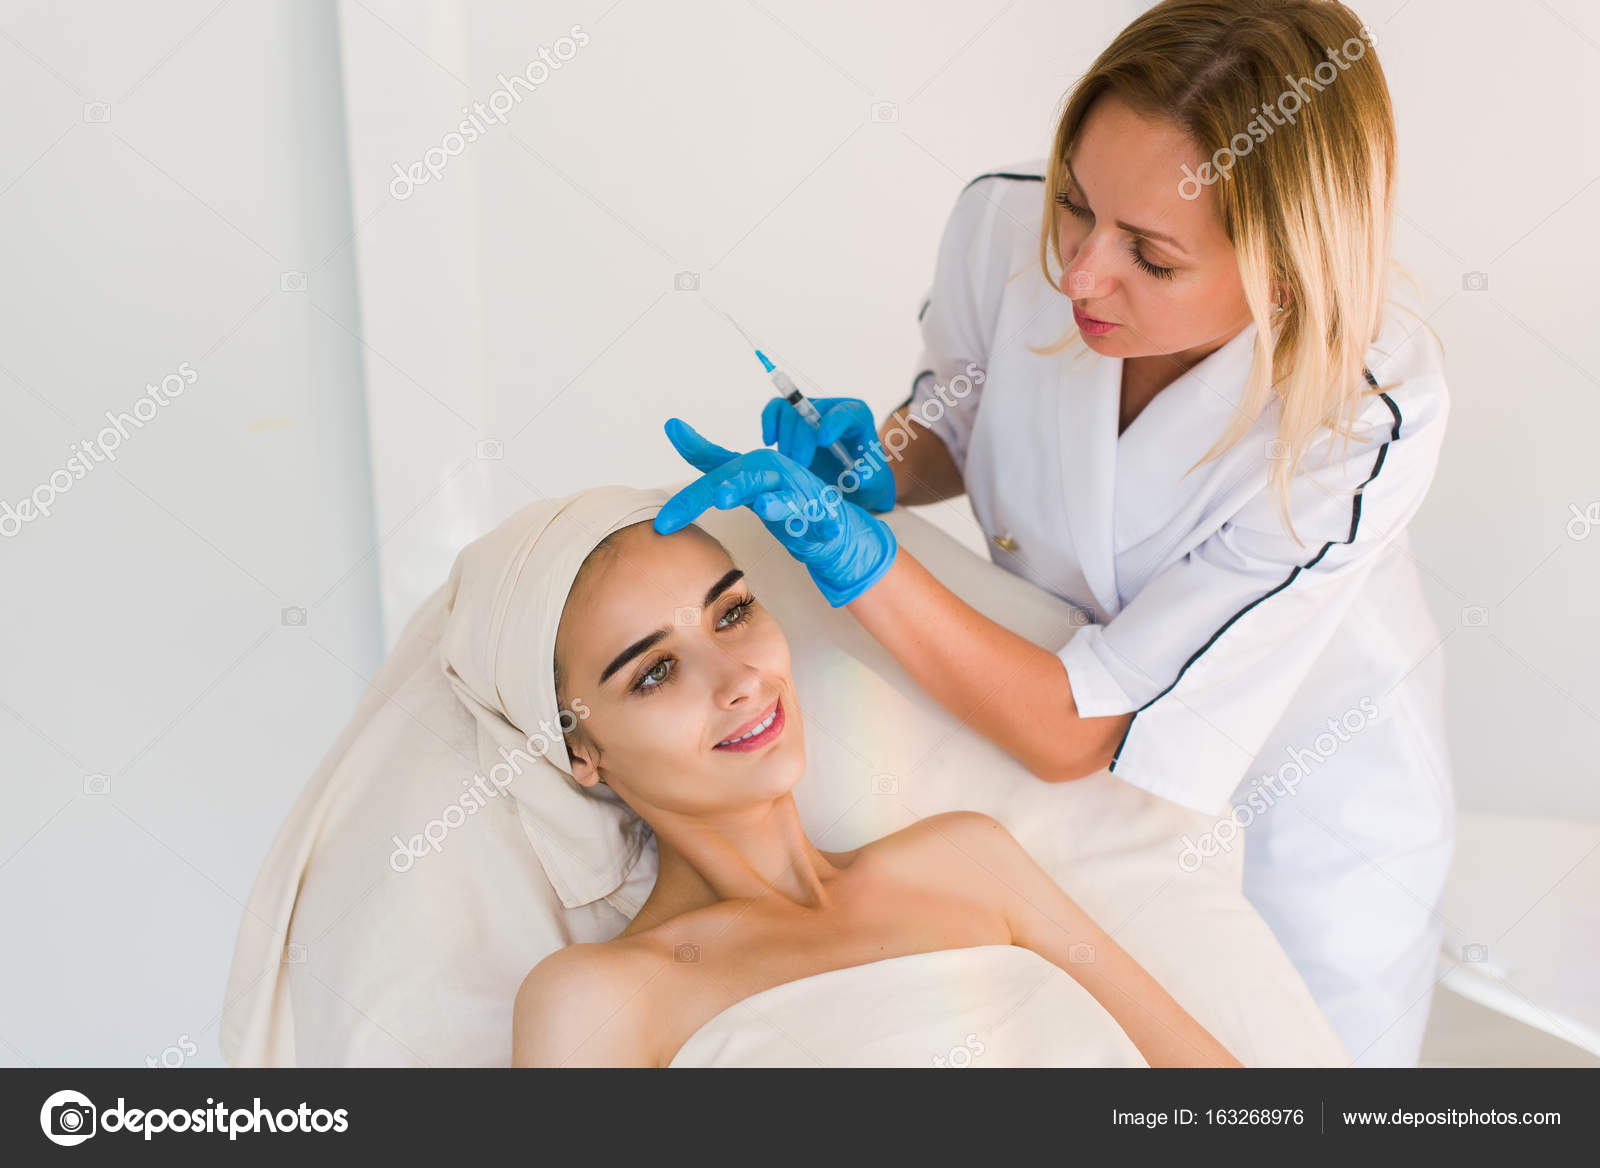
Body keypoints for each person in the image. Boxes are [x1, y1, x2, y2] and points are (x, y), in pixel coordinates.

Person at [656, 0, 1454, 1066]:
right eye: (1077, 206)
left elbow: (1079, 727)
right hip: (1042, 738)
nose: (1077, 274)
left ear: (1283, 270)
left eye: (1150, 260)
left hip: (1301, 790)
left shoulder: (1362, 416)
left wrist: (860, 563)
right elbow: (965, 411)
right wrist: (879, 460)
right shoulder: (1000, 226)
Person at [511, 514, 1239, 1068]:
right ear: (581, 748)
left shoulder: (965, 859)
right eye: (655, 673)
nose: (740, 681)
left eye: (733, 613)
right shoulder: (599, 998)